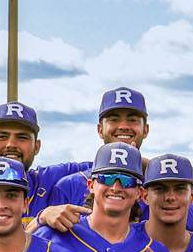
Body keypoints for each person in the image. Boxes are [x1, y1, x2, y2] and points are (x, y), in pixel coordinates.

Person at [44, 87, 151, 217]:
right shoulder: (70, 185)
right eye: (114, 119)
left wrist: (150, 167)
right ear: (100, 129)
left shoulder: (161, 187)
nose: (123, 126)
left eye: (133, 120)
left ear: (145, 130)